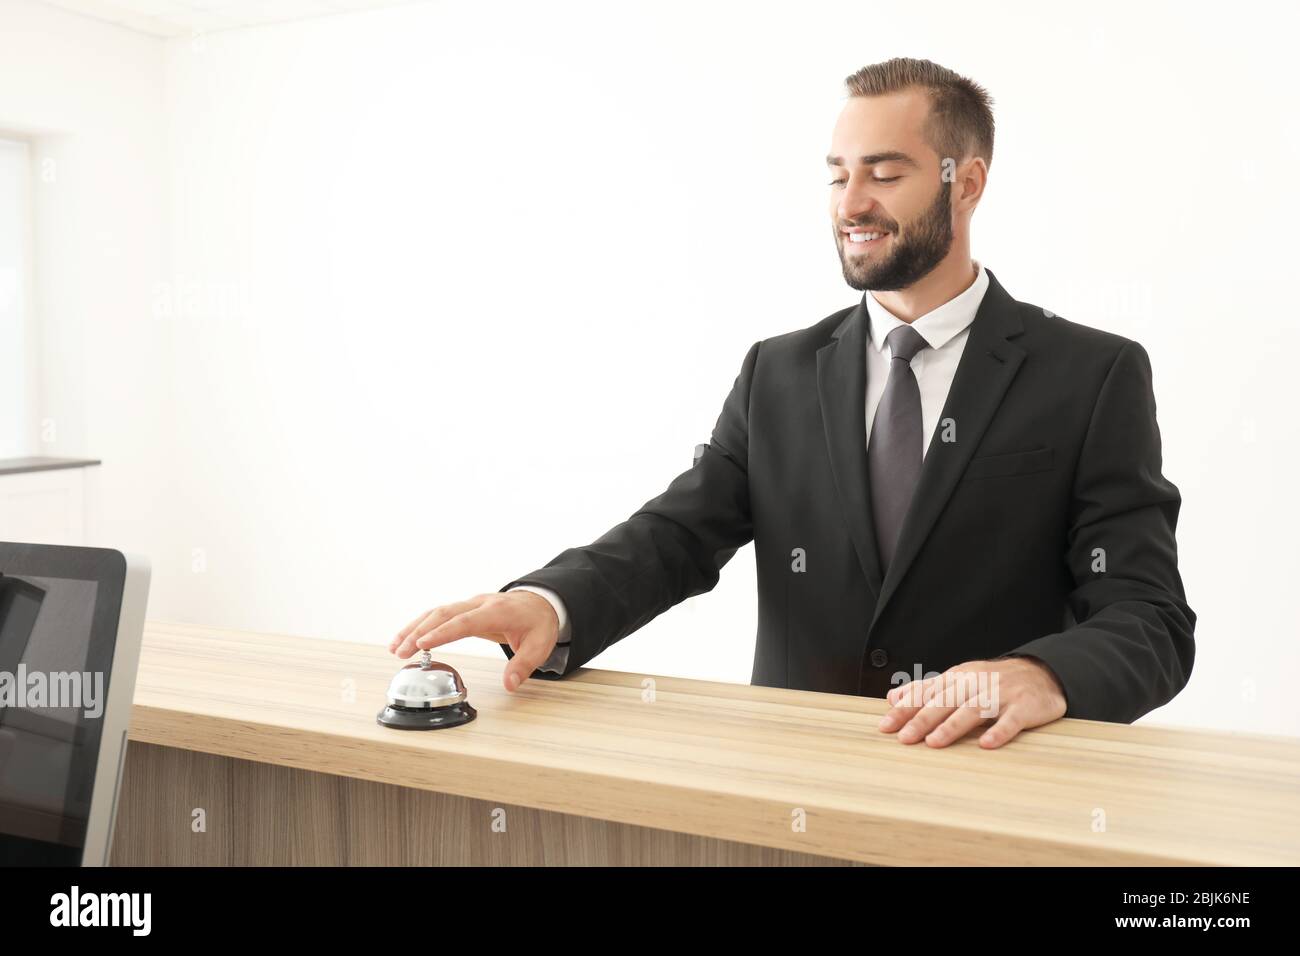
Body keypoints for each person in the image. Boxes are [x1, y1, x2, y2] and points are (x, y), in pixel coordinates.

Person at [390, 57, 1195, 750]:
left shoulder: (1091, 375)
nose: (851, 204)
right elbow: (677, 535)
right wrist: (549, 600)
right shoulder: (778, 371)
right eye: (838, 175)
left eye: (884, 173)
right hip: (790, 792)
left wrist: (1042, 673)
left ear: (968, 183)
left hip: (989, 790)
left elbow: (1149, 618)